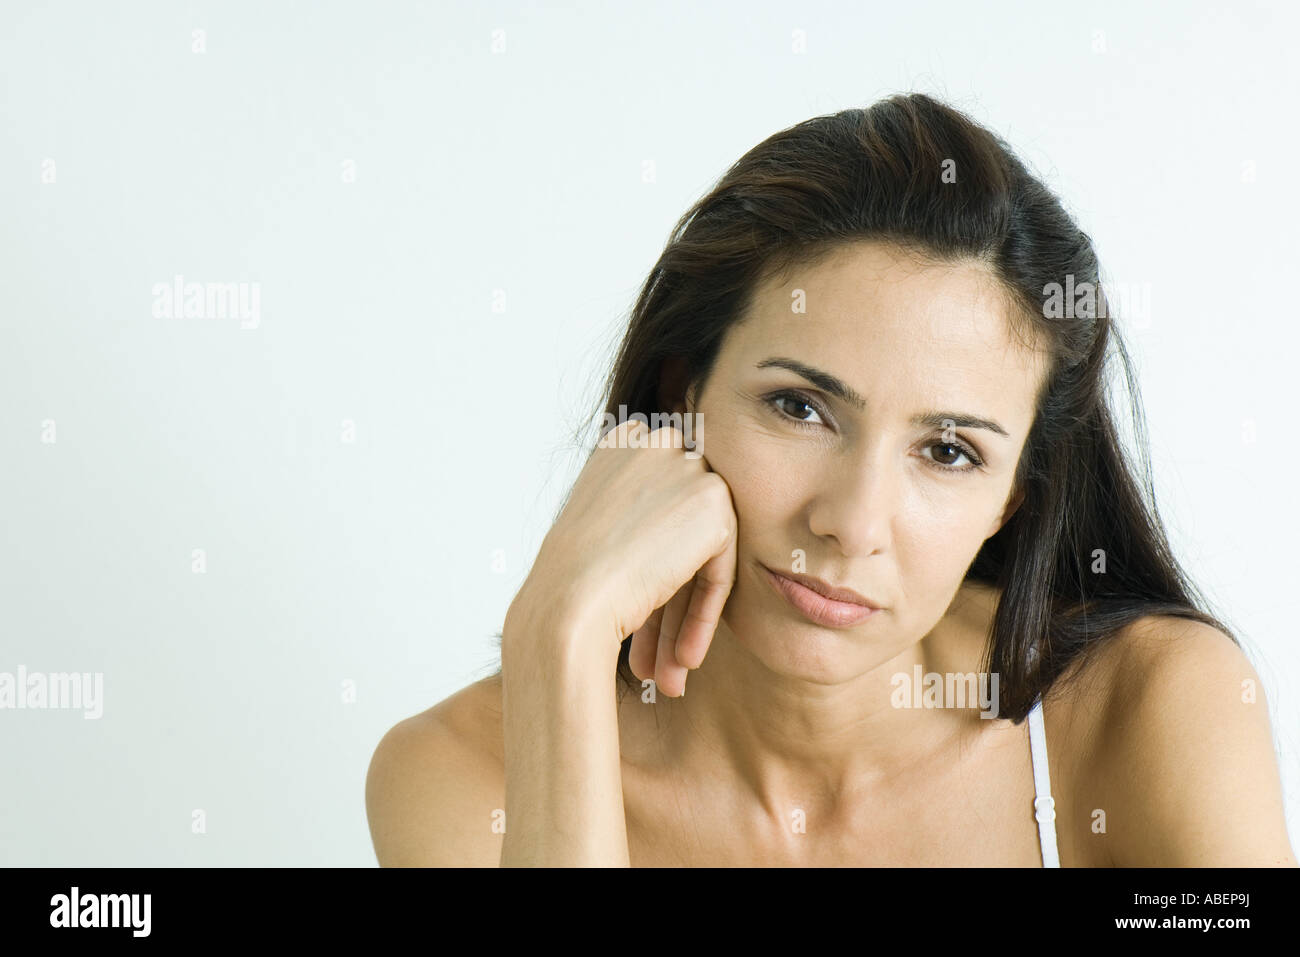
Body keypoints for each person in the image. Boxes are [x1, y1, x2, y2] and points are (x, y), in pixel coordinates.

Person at [365, 92, 1297, 867]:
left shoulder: (1145, 709)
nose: (852, 524)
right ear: (679, 396)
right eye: (802, 409)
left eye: (948, 452)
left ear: (1013, 495)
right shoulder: (464, 772)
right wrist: (557, 642)